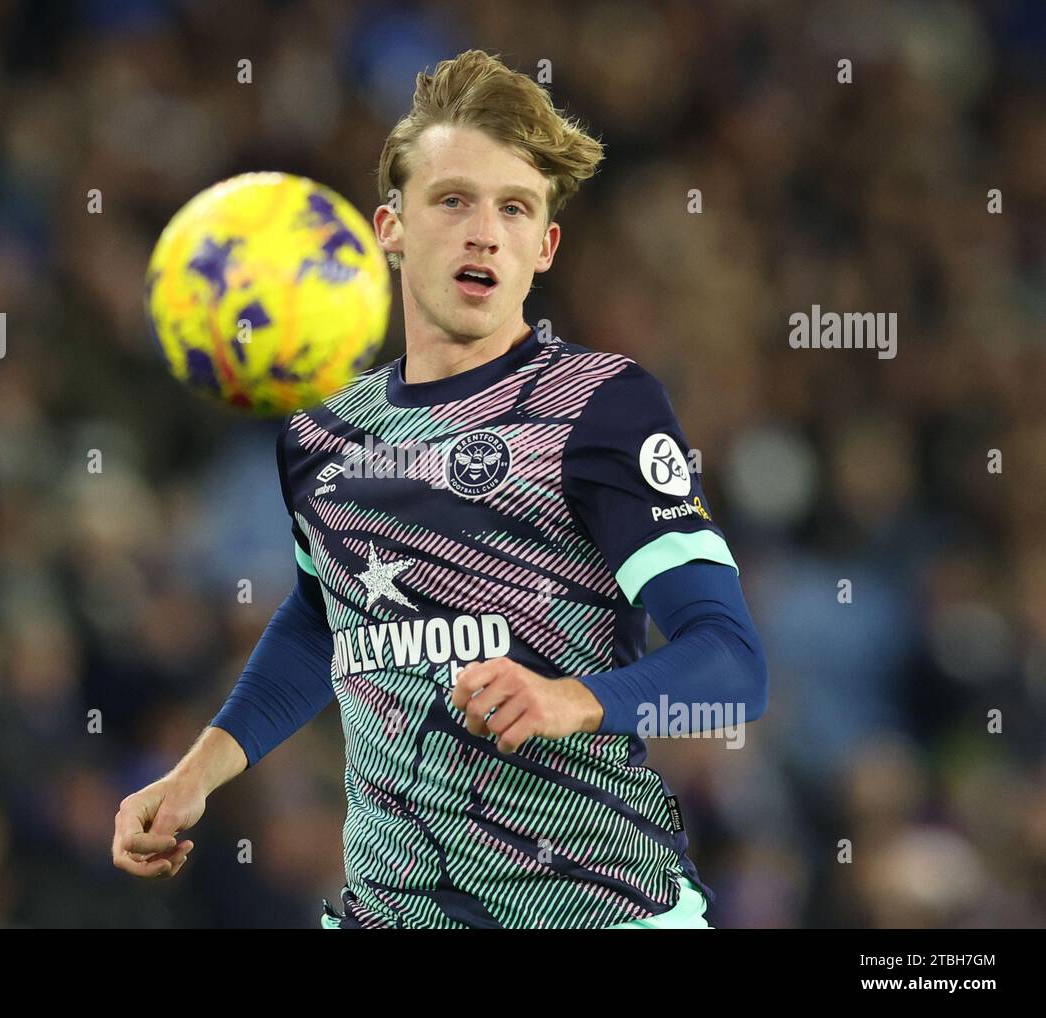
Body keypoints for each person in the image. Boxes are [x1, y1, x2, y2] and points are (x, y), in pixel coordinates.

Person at [112, 49, 768, 929]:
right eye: (453, 199)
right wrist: (199, 772)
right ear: (389, 228)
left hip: (596, 907)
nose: (484, 232)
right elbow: (325, 620)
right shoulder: (321, 438)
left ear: (544, 247)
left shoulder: (601, 408)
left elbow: (732, 662)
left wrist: (575, 699)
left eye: (515, 208)